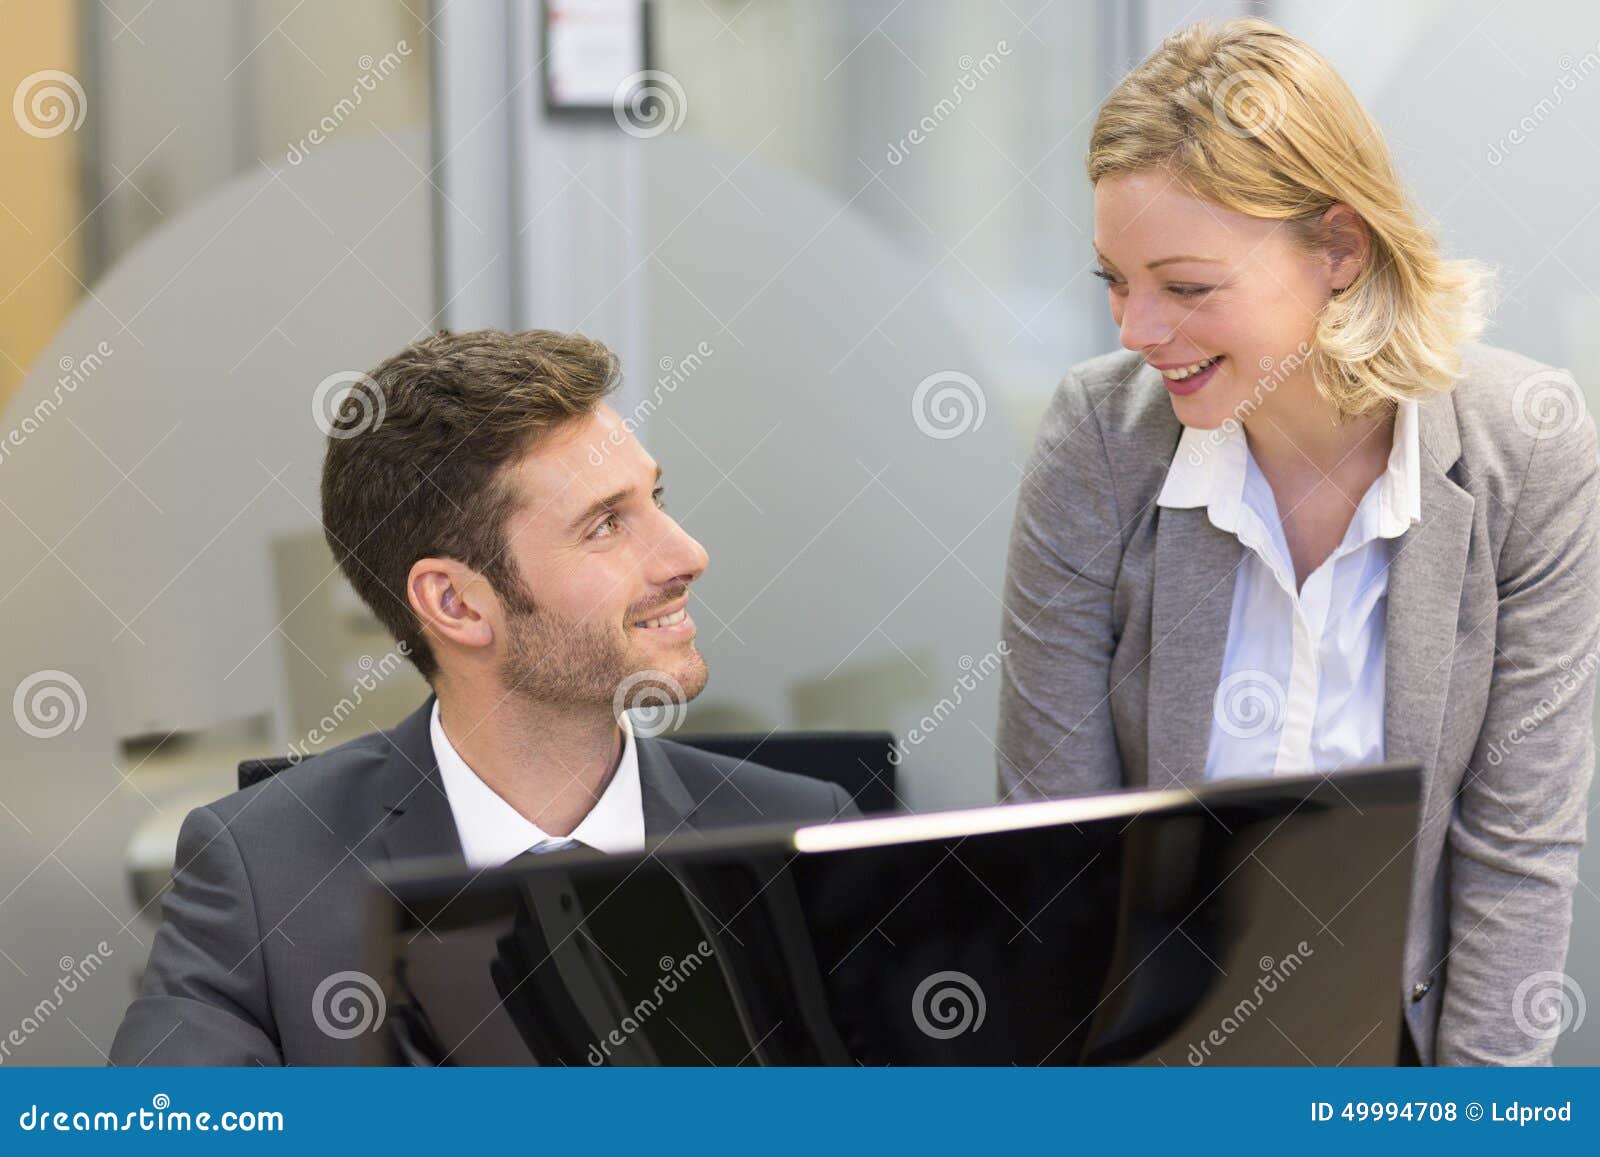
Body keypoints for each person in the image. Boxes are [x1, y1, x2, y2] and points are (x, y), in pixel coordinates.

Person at [995, 18, 1598, 1066]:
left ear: (1338, 249)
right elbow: (1058, 846)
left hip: (1398, 1064)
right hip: (1146, 1062)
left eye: (1185, 287)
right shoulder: (1101, 436)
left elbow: (1515, 854)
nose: (1134, 330)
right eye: (1113, 280)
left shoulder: (1526, 450)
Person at [112, 328, 856, 1066]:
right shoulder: (265, 871)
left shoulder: (809, 838)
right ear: (457, 604)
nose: (687, 554)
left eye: (653, 498)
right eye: (605, 524)